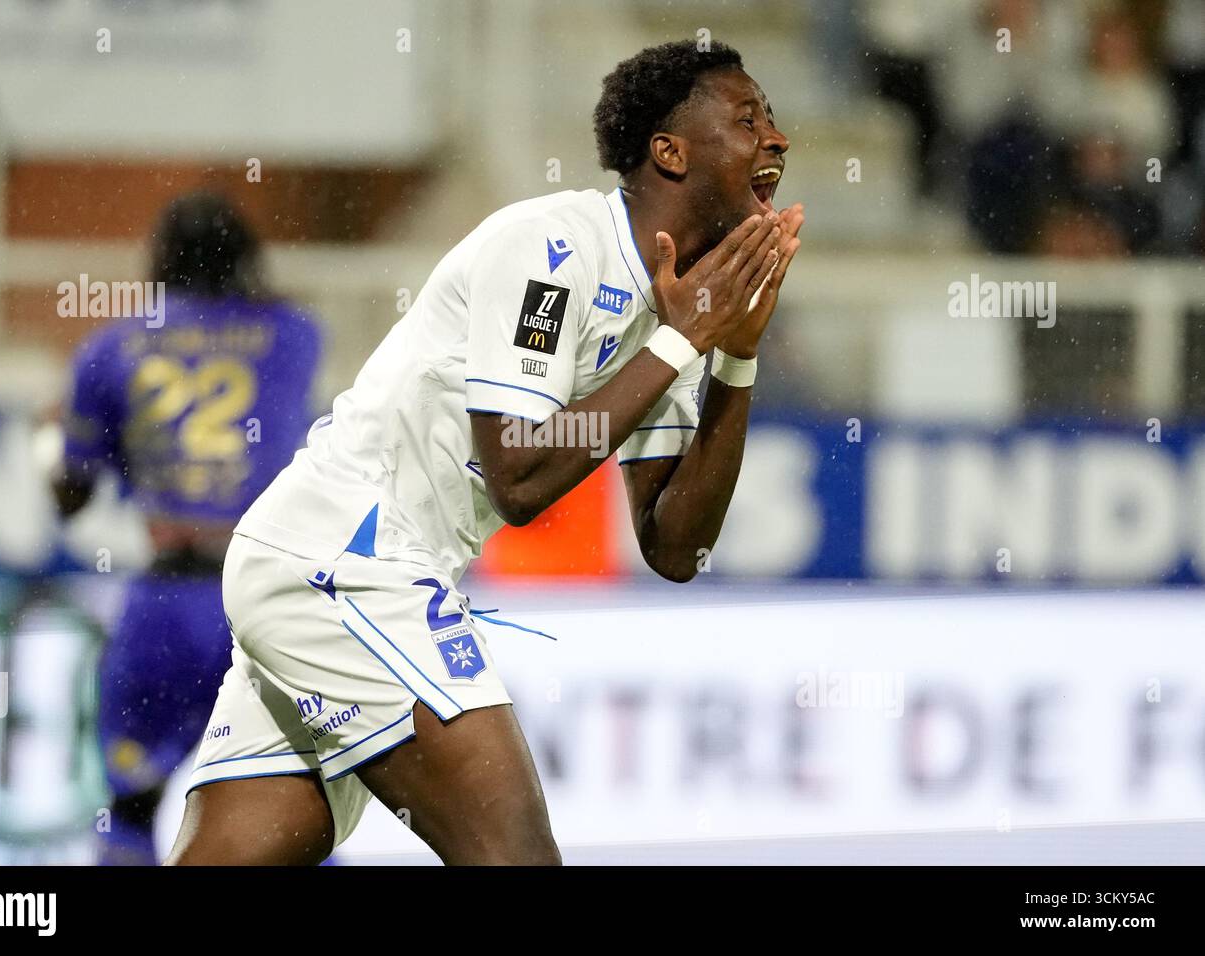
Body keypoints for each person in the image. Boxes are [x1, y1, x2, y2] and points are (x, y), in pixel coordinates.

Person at [168, 40, 804, 866]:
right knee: (516, 858)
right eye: (748, 120)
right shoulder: (553, 250)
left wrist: (734, 360)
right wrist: (684, 343)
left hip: (332, 572)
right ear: (669, 151)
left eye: (774, 120)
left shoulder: (677, 313)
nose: (778, 140)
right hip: (348, 559)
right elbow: (517, 477)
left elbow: (678, 545)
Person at [53, 193, 321, 864]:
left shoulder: (109, 349)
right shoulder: (296, 335)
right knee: (299, 815)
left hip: (166, 601)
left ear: (159, 259)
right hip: (266, 602)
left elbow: (71, 493)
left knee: (130, 809)